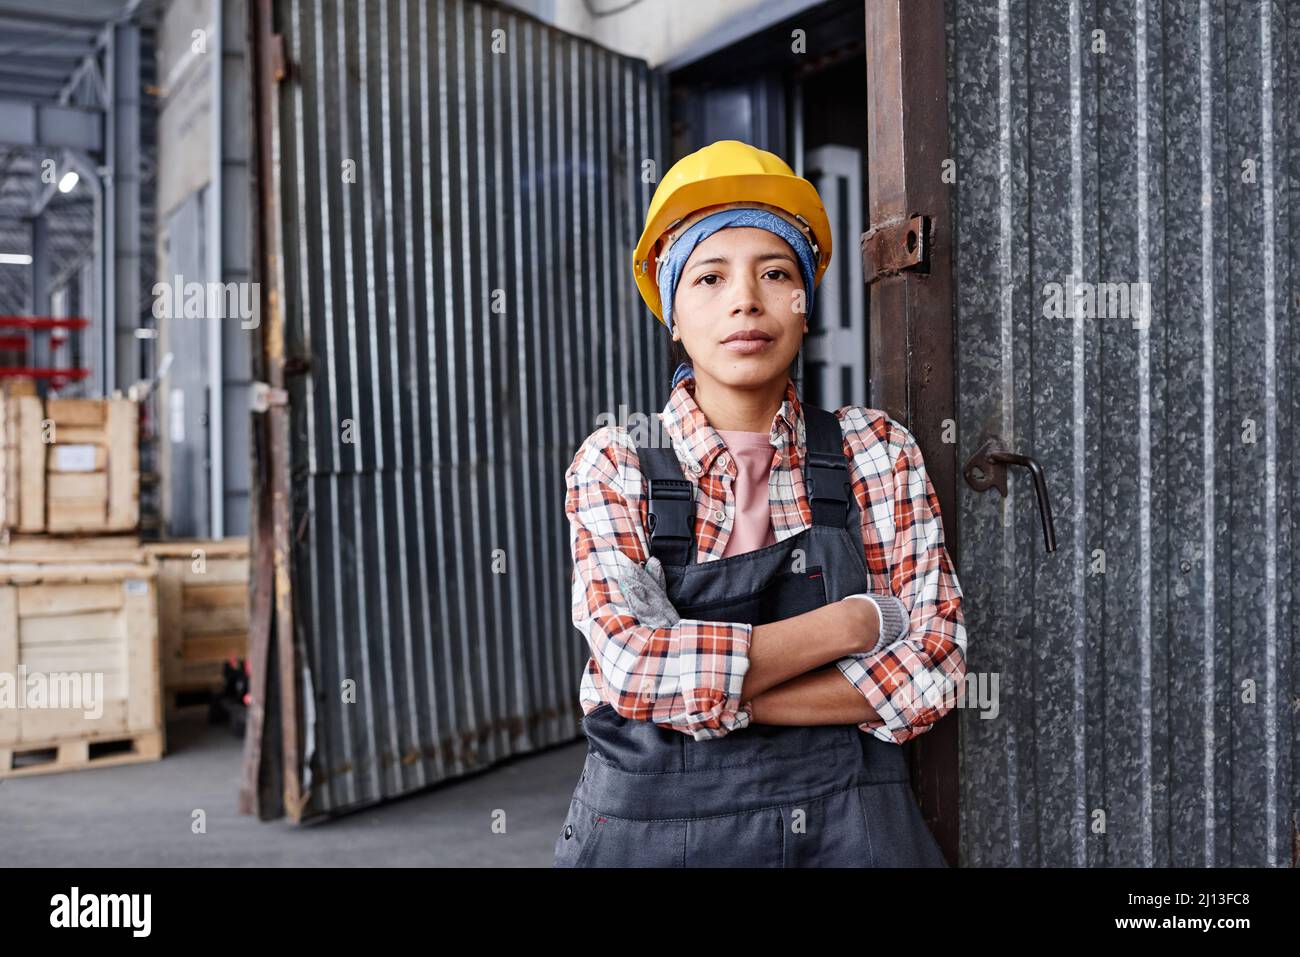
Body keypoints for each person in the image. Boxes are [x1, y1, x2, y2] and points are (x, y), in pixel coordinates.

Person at [554, 140, 967, 867]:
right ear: (673, 316)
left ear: (805, 305)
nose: (745, 298)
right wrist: (854, 621)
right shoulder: (617, 464)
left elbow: (933, 670)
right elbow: (632, 668)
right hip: (651, 836)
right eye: (709, 277)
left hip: (850, 829)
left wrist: (703, 695)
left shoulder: (874, 449)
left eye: (776, 273)